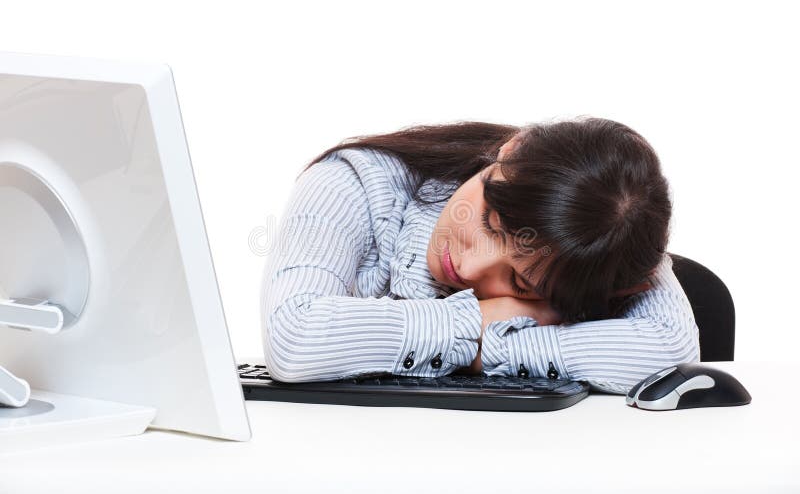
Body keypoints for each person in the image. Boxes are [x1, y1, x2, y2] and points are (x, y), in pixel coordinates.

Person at [260, 118, 700, 394]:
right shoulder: (350, 183)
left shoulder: (606, 237)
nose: (468, 267)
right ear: (509, 151)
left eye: (519, 284)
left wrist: (475, 347)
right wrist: (488, 317)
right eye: (489, 222)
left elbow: (671, 349)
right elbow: (294, 338)